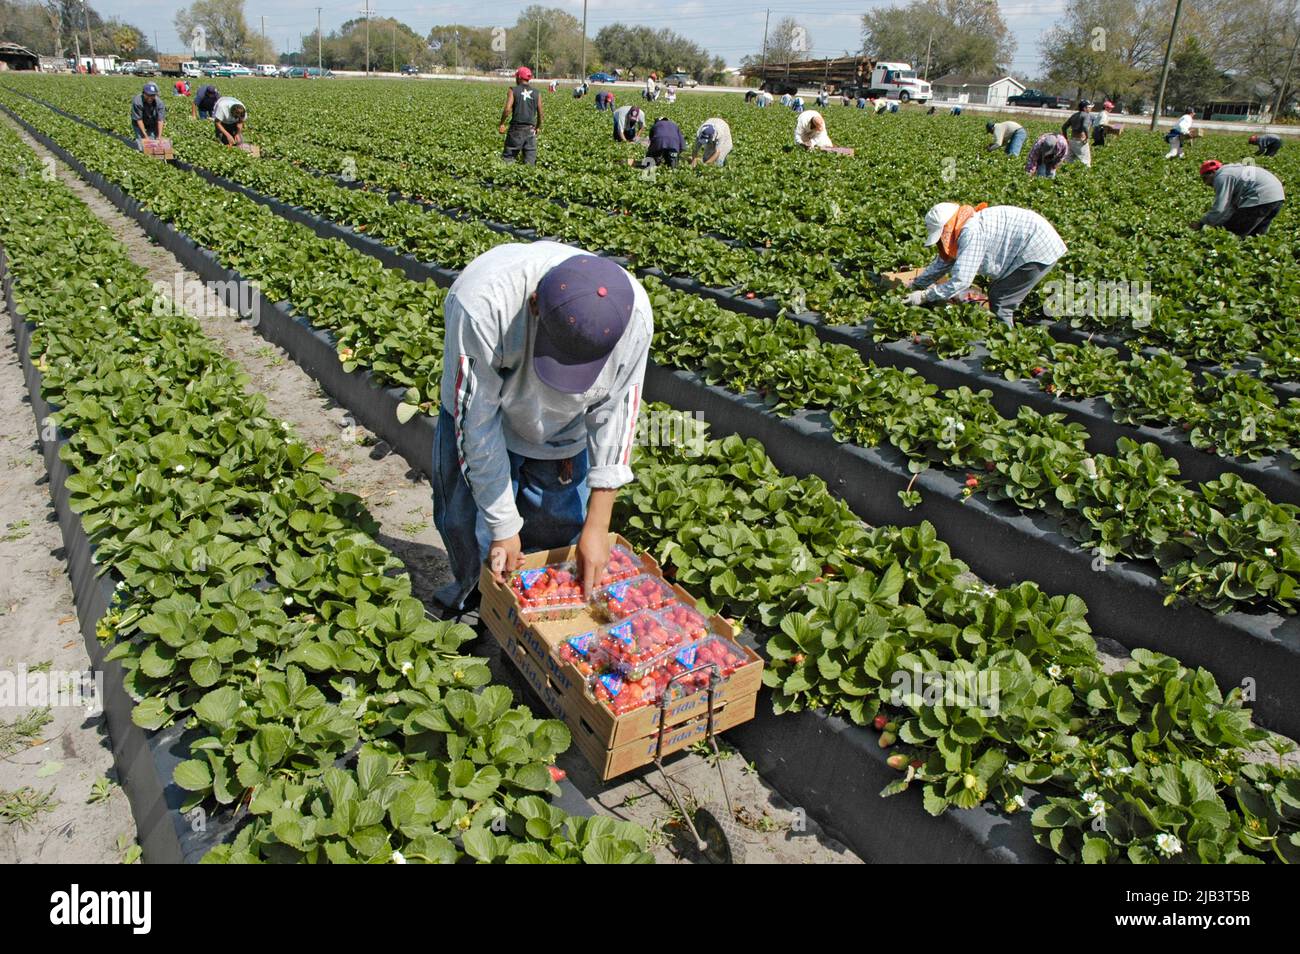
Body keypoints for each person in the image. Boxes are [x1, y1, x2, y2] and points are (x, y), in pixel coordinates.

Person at [430, 244, 652, 612]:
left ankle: (537, 617)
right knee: (469, 527)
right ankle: (472, 601)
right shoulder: (484, 305)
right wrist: (503, 526)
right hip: (488, 413)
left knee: (558, 527)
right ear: (534, 304)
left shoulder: (631, 317)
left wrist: (597, 527)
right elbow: (477, 425)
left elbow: (617, 412)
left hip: (566, 429)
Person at [904, 202, 1067, 328]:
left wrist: (924, 296)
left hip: (1038, 248)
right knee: (998, 292)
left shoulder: (970, 232)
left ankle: (1007, 343)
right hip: (1034, 242)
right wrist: (917, 285)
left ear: (947, 228)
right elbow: (944, 262)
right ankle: (1004, 333)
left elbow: (961, 281)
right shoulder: (961, 228)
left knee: (1001, 299)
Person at [1193, 159, 1286, 237]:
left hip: (1260, 197)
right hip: (1278, 197)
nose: (1205, 183)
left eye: (1204, 178)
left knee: (1230, 235)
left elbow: (1220, 208)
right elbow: (1231, 208)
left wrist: (1202, 224)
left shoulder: (1222, 176)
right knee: (1256, 236)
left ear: (1212, 172)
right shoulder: (1235, 171)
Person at [499, 67, 542, 165]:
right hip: (531, 130)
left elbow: (507, 109)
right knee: (530, 163)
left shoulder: (513, 90)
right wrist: (538, 127)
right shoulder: (537, 93)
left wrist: (502, 123)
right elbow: (541, 113)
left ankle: (507, 178)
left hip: (516, 130)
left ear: (518, 77)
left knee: (508, 158)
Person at [130, 83, 166, 147]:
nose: (150, 98)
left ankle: (151, 155)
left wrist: (159, 136)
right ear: (143, 93)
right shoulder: (137, 101)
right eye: (148, 95)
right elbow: (139, 119)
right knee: (142, 142)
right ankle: (141, 153)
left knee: (152, 141)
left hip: (152, 122)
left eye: (152, 95)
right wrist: (145, 136)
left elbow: (160, 120)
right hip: (139, 123)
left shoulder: (159, 103)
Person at [1061, 100, 1093, 167]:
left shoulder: (1074, 115)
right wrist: (1087, 137)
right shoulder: (1086, 115)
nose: (1090, 109)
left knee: (1068, 161)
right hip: (1081, 141)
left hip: (1072, 141)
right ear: (1084, 108)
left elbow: (1064, 127)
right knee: (1086, 162)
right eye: (1089, 107)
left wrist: (1066, 138)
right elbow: (1084, 126)